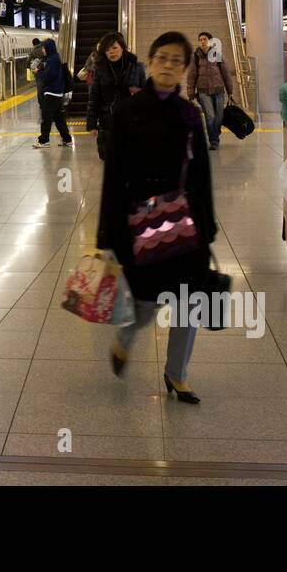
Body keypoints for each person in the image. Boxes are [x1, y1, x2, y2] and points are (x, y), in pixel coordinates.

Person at [97, 31, 219, 405]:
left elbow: (201, 174)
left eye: (176, 61)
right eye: (161, 58)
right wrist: (109, 236)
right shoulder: (127, 112)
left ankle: (177, 375)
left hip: (186, 223)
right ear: (149, 62)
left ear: (184, 69)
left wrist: (208, 224)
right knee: (147, 304)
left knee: (189, 302)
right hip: (140, 223)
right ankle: (126, 338)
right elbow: (114, 174)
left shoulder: (188, 114)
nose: (168, 66)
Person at [85, 31, 146, 160]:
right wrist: (91, 123)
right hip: (108, 121)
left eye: (114, 48)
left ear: (122, 48)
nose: (112, 52)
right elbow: (94, 97)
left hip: (131, 121)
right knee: (108, 158)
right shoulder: (100, 69)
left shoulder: (136, 67)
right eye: (107, 49)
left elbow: (145, 95)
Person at [186, 31, 236, 151]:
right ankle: (214, 141)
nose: (203, 41)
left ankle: (215, 131)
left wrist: (230, 90)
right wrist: (191, 92)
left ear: (209, 41)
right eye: (201, 39)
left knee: (219, 117)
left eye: (205, 39)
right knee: (210, 117)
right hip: (203, 91)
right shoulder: (196, 56)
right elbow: (192, 75)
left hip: (218, 89)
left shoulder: (217, 54)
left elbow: (225, 73)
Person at [33, 38, 73, 148]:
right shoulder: (53, 58)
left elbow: (48, 77)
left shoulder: (53, 59)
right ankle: (67, 139)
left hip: (51, 93)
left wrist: (38, 73)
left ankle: (44, 140)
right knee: (58, 119)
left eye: (44, 48)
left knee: (46, 118)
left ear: (49, 48)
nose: (43, 50)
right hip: (56, 93)